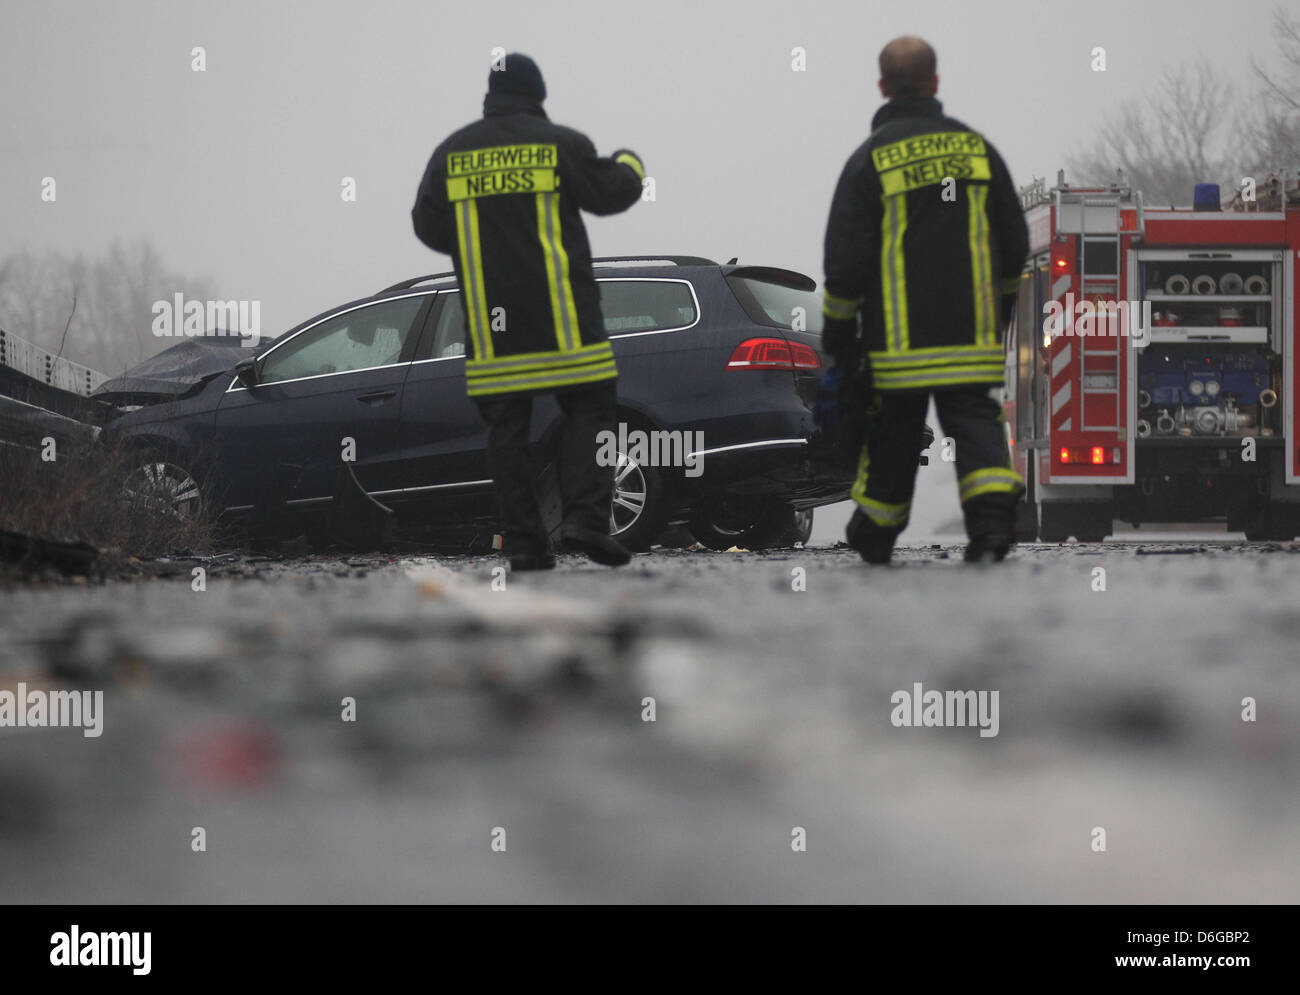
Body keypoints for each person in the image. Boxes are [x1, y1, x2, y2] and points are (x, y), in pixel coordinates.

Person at [412, 53, 646, 571]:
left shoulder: (452, 153)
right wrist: (631, 162)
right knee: (590, 407)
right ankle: (585, 517)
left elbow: (427, 226)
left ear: (489, 97)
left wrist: (484, 239)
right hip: (565, 322)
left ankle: (523, 541)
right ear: (538, 96)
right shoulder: (560, 144)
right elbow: (612, 192)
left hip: (493, 327)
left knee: (506, 429)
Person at [821, 36, 1029, 565]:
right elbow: (1014, 243)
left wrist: (840, 339)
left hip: (898, 343)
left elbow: (844, 261)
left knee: (893, 431)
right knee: (974, 421)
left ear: (883, 87)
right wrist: (1001, 312)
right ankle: (991, 527)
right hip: (970, 334)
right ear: (936, 83)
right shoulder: (978, 151)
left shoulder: (869, 162)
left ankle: (874, 531)